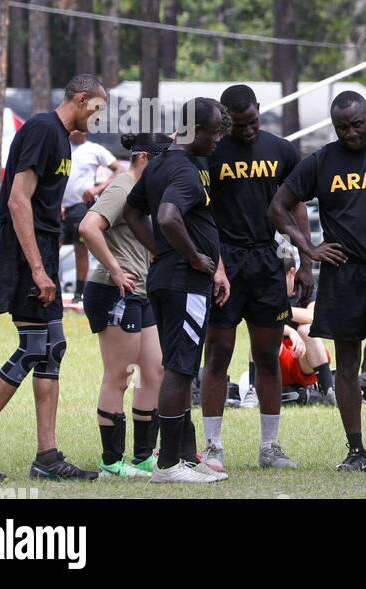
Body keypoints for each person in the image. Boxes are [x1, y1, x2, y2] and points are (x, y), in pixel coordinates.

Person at [0, 75, 107, 483]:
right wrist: (37, 268)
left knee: (54, 347)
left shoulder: (62, 138)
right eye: (97, 109)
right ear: (83, 99)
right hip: (25, 251)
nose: (99, 118)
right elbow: (18, 200)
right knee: (34, 347)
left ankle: (47, 458)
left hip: (44, 248)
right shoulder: (41, 129)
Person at [270, 90, 366, 472]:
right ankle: (356, 450)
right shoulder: (321, 161)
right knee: (348, 360)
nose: (351, 133)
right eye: (342, 127)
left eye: (357, 124)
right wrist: (309, 248)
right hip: (342, 275)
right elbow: (278, 206)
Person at [124, 97, 229, 484]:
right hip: (185, 281)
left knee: (178, 368)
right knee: (182, 369)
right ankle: (169, 464)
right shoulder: (183, 170)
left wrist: (159, 250)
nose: (219, 138)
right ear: (195, 131)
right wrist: (197, 258)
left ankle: (185, 454)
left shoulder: (161, 162)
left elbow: (134, 212)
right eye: (215, 130)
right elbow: (166, 217)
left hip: (166, 277)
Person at [197, 85, 303, 473]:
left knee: (267, 357)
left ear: (260, 111)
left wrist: (304, 259)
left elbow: (296, 204)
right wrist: (212, 262)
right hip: (225, 262)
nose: (248, 130)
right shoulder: (211, 152)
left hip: (267, 262)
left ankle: (270, 446)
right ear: (225, 119)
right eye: (240, 125)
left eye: (253, 121)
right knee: (219, 353)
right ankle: (212, 447)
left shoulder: (281, 149)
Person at [77, 132, 172, 477]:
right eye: (162, 162)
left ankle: (143, 456)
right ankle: (111, 463)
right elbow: (88, 227)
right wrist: (117, 270)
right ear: (145, 158)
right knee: (119, 375)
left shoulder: (143, 193)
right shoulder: (121, 189)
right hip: (114, 291)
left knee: (155, 371)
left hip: (141, 292)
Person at [60, 129, 119, 305]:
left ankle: (79, 293)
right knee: (52, 247)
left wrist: (97, 189)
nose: (81, 131)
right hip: (60, 207)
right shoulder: (62, 148)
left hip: (81, 205)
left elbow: (119, 170)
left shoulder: (95, 149)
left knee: (81, 249)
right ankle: (51, 286)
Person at [275, 247, 333, 396]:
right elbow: (260, 320)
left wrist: (281, 311)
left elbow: (314, 317)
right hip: (276, 354)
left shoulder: (305, 288)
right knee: (263, 333)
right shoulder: (268, 290)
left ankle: (328, 391)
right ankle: (254, 391)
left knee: (306, 329)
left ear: (292, 273)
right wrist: (290, 331)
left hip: (304, 357)